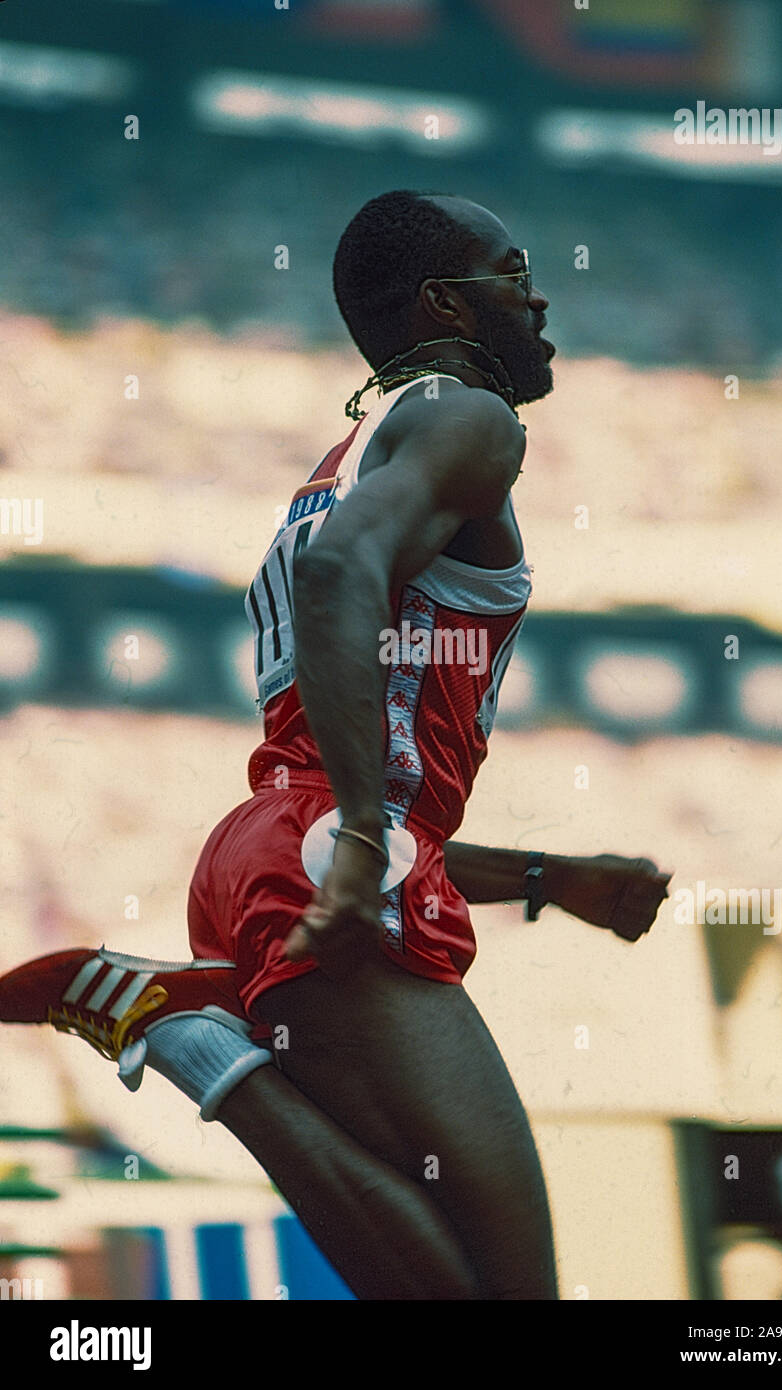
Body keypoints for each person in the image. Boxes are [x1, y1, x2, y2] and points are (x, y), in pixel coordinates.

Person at [0, 191, 671, 1300]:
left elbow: (373, 756)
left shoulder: (348, 458)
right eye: (514, 272)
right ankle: (186, 1036)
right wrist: (361, 840)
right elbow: (336, 579)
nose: (539, 296)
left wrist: (557, 878)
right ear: (446, 301)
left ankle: (200, 1042)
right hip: (330, 850)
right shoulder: (470, 419)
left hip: (268, 849)